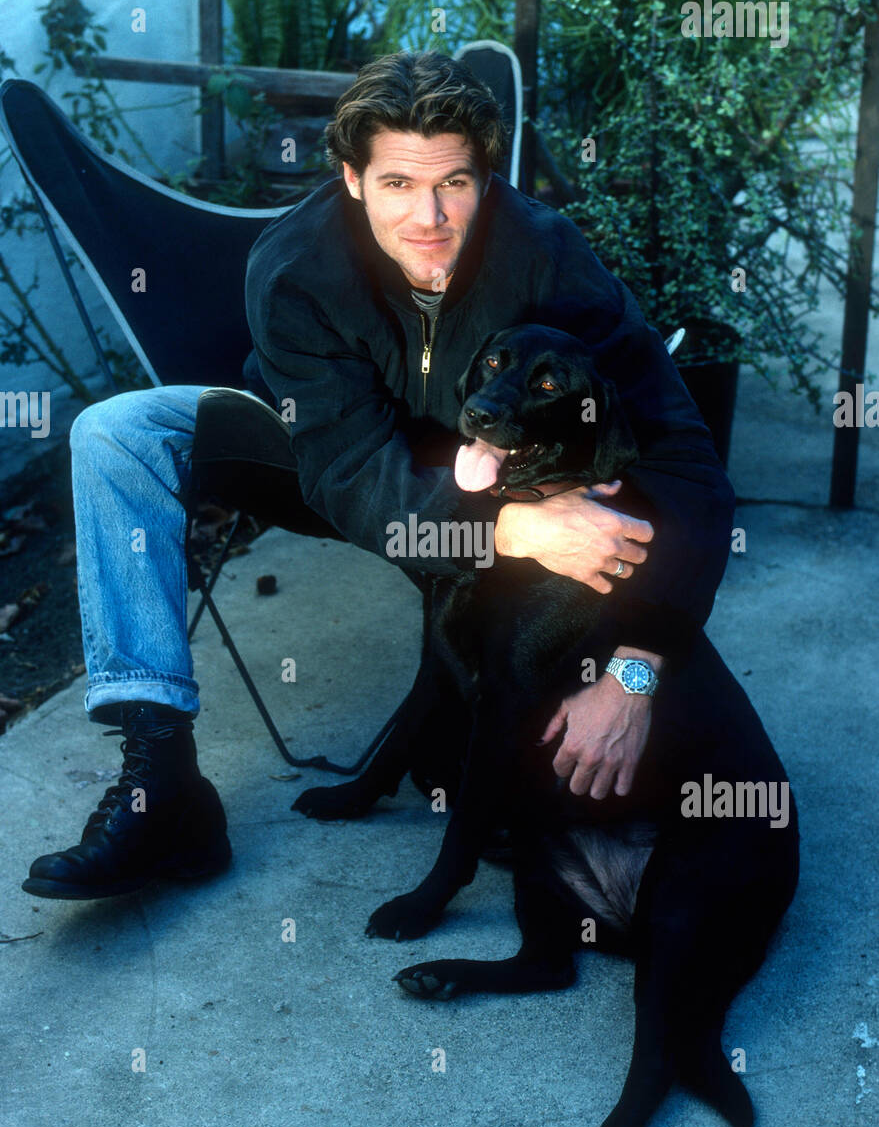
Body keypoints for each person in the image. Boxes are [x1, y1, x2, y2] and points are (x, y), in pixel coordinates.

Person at [23, 50, 733, 902]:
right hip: (315, 456)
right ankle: (162, 785)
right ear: (351, 178)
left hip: (484, 472)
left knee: (487, 773)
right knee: (114, 430)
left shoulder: (548, 258)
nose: (428, 218)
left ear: (487, 176)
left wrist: (634, 672)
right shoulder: (294, 266)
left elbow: (685, 462)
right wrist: (509, 531)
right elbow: (350, 469)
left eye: (454, 185)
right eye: (397, 184)